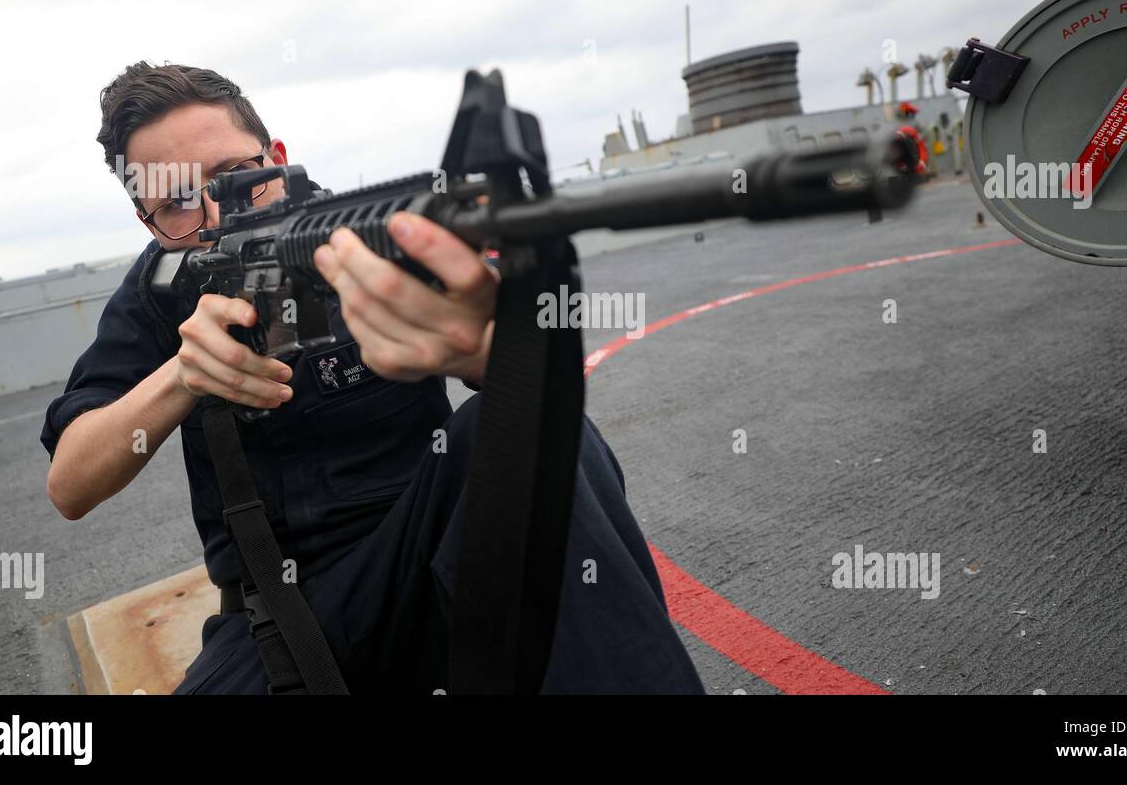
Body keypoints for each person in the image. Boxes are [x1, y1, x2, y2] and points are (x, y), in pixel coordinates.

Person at [40, 62, 704, 694]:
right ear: (146, 221)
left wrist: (477, 348)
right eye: (178, 202)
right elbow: (71, 484)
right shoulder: (158, 288)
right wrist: (181, 375)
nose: (214, 216)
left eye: (234, 176)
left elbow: (529, 379)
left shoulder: (372, 235)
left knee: (532, 431)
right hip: (280, 618)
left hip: (439, 554)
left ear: (276, 156)